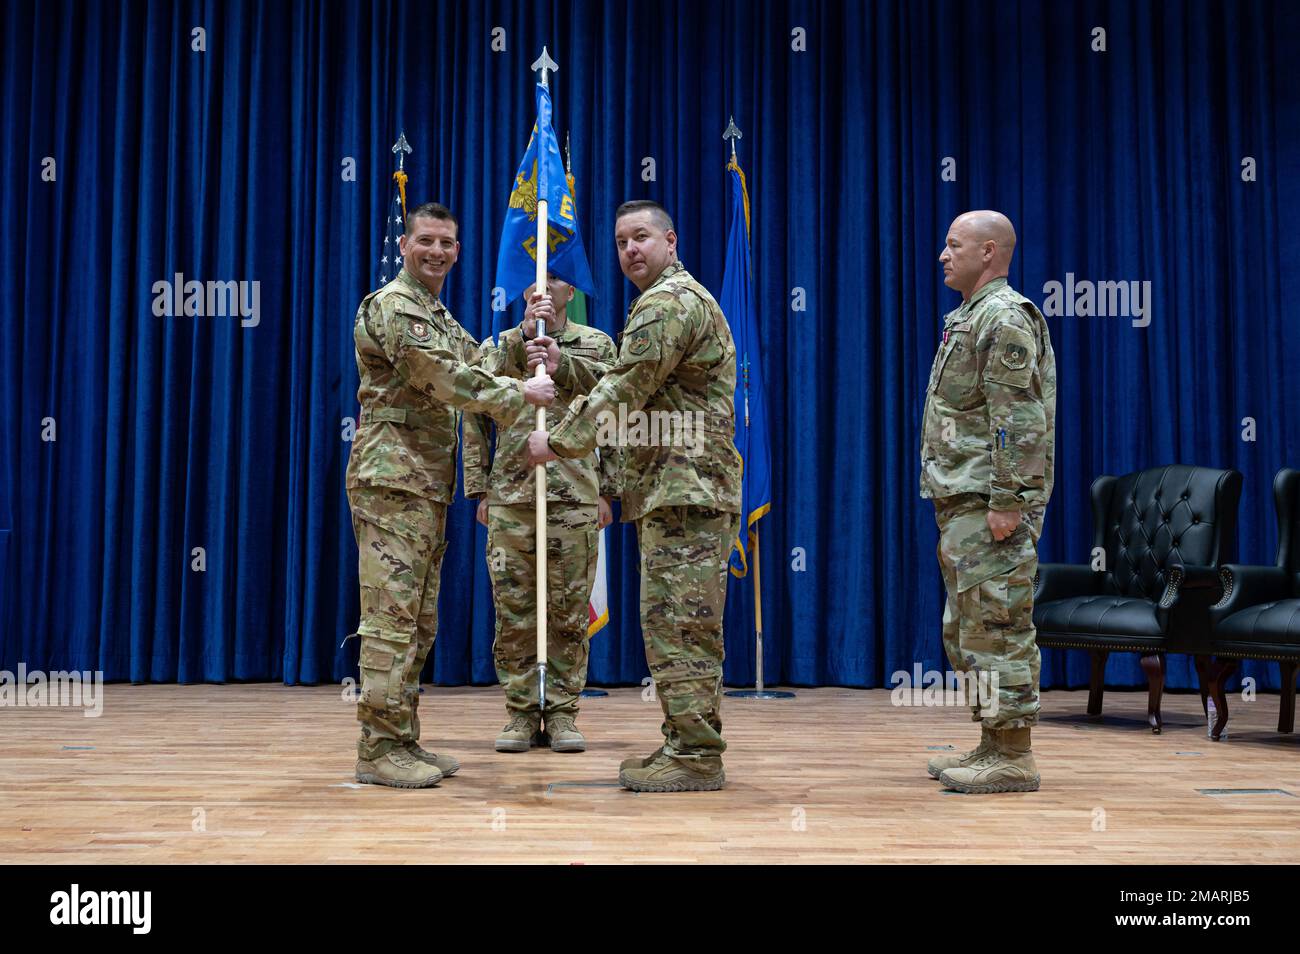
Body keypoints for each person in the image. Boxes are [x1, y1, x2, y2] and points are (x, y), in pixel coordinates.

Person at [525, 200, 741, 793]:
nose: (630, 251)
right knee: (677, 625)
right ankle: (685, 743)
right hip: (678, 489)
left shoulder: (668, 302)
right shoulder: (666, 301)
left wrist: (559, 443)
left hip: (686, 489)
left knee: (682, 628)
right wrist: (566, 367)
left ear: (671, 240)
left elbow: (626, 388)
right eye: (621, 242)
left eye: (641, 237)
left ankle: (696, 757)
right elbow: (634, 380)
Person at [346, 201, 555, 788]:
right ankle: (378, 748)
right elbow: (445, 377)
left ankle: (402, 739)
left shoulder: (434, 313)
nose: (437, 251)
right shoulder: (394, 307)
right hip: (391, 479)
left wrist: (526, 326)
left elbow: (477, 359)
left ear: (457, 252)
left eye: (447, 244)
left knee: (417, 619)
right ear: (405, 245)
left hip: (422, 485)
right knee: (390, 619)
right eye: (426, 241)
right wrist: (523, 395)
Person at [920, 210, 1057, 794]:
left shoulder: (1004, 318)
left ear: (990, 251)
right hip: (963, 498)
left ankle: (1014, 755)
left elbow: (1017, 421)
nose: (944, 255)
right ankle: (991, 740)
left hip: (988, 503)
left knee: (998, 623)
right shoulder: (972, 317)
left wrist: (1007, 501)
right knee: (970, 627)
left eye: (955, 245)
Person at [463, 273, 619, 753]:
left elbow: (614, 408)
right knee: (515, 611)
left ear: (572, 292)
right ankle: (521, 713)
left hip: (575, 495)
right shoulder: (497, 347)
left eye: (555, 279)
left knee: (569, 610)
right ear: (523, 294)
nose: (543, 289)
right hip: (511, 496)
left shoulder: (598, 346)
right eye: (533, 283)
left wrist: (609, 492)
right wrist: (478, 489)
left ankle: (565, 712)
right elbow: (472, 411)